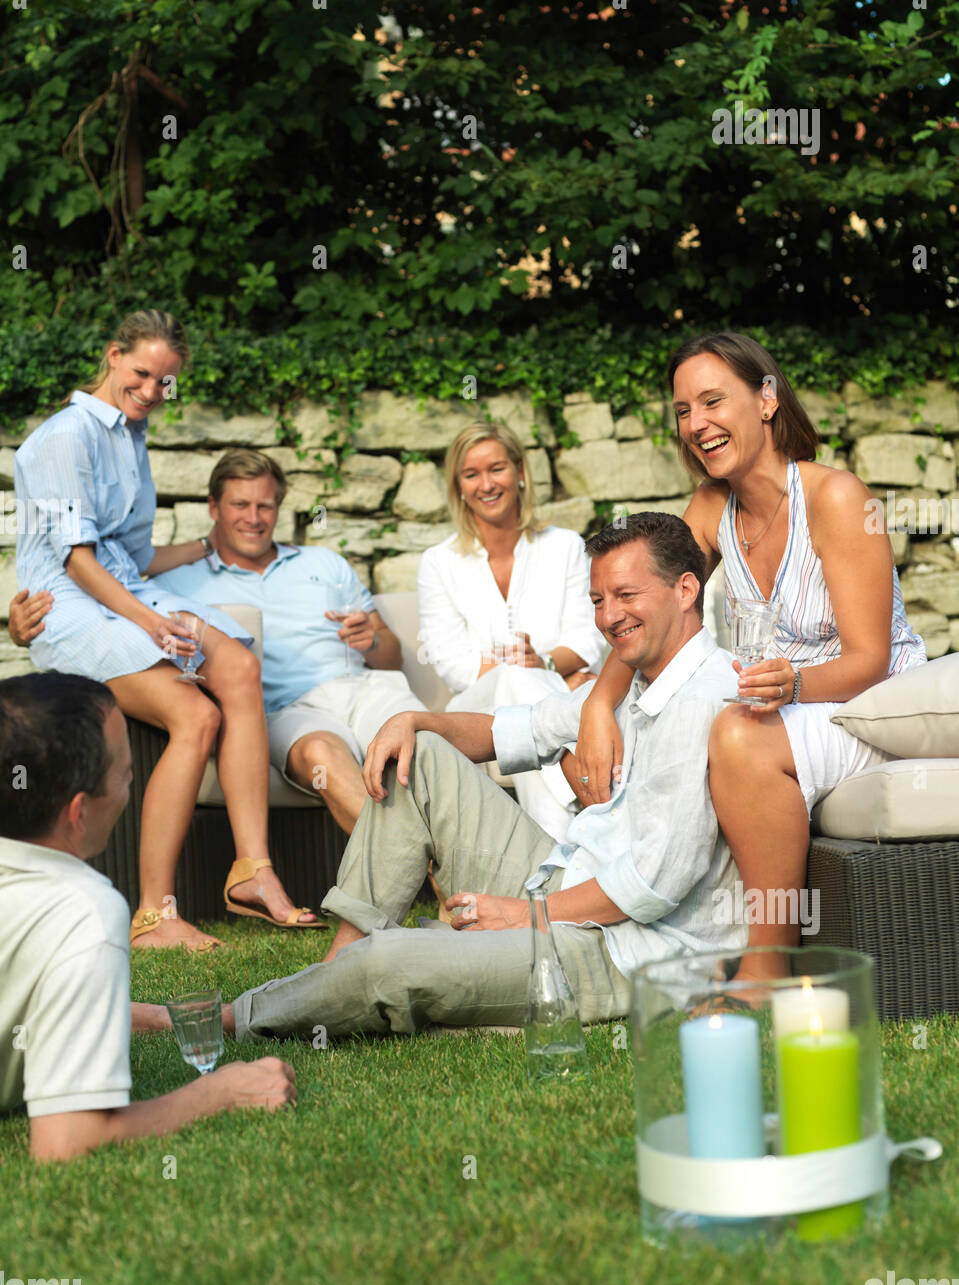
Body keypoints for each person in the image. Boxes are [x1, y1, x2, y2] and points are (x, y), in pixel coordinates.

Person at [134, 514, 747, 1043]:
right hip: (570, 882)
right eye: (597, 601)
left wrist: (523, 916)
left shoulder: (703, 700)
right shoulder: (635, 683)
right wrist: (416, 719)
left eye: (626, 596)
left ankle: (223, 1018)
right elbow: (520, 729)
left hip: (628, 953)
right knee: (420, 755)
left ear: (686, 589)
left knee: (394, 961)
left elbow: (654, 886)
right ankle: (341, 959)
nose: (609, 617)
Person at [574, 332, 925, 969]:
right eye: (683, 410)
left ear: (766, 400)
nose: (696, 424)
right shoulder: (713, 507)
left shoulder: (837, 499)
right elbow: (650, 605)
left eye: (712, 401)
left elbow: (870, 658)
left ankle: (766, 967)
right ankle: (608, 901)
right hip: (780, 693)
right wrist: (597, 707)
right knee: (674, 708)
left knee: (737, 731)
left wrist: (789, 687)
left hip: (866, 699)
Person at [11, 311, 315, 950]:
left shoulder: (130, 435)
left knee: (238, 667)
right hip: (69, 604)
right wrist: (151, 622)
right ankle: (155, 914)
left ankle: (253, 870)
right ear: (114, 355)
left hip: (123, 591)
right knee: (196, 717)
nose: (152, 391)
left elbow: (133, 557)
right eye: (142, 374)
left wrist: (209, 544)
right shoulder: (69, 436)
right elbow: (77, 559)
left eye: (165, 381)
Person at [11, 449, 426, 839]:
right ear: (214, 508)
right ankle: (436, 874)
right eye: (239, 505)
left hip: (365, 689)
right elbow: (94, 610)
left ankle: (444, 876)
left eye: (265, 506)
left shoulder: (326, 563)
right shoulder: (173, 584)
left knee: (422, 750)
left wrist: (371, 641)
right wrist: (23, 627)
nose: (254, 518)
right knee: (323, 757)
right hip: (286, 710)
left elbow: (392, 656)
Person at [0, 673, 297, 1162]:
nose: (132, 783)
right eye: (128, 775)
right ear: (78, 812)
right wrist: (222, 1092)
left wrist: (172, 1019)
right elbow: (66, 1143)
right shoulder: (80, 910)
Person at [417, 422, 605, 840]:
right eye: (471, 474)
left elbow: (587, 637)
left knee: (526, 688)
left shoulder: (566, 546)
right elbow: (451, 665)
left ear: (520, 471)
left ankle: (552, 852)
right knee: (521, 681)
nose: (486, 484)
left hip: (547, 694)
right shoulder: (438, 562)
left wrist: (546, 663)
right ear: (459, 486)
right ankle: (589, 798)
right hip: (474, 709)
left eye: (496, 469)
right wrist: (541, 673)